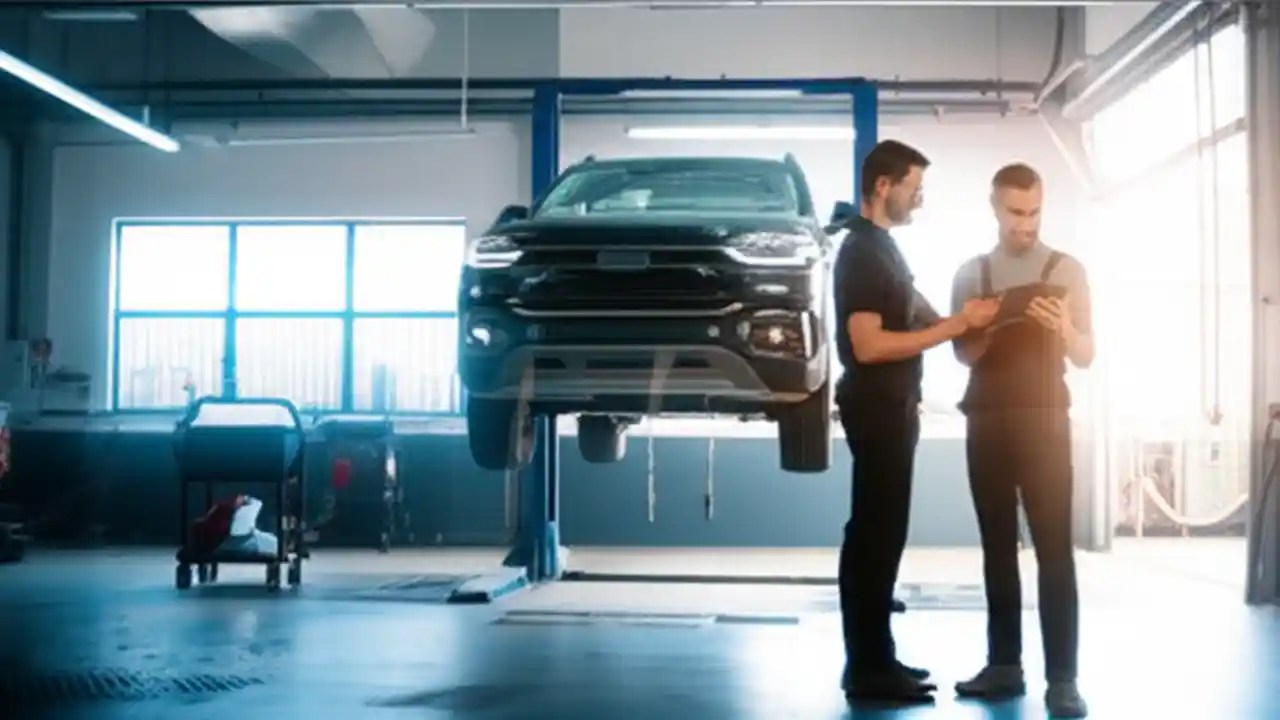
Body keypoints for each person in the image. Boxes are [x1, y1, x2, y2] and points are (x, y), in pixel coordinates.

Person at [833, 139, 999, 705]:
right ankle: (867, 672)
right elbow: (870, 344)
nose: (919, 199)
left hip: (894, 410)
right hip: (876, 409)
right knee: (874, 537)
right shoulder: (861, 251)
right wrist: (955, 328)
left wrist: (966, 320)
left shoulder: (884, 249)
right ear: (884, 186)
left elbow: (911, 306)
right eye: (914, 188)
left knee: (884, 535)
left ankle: (877, 659)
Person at [949, 162, 1093, 718]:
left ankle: (1063, 679)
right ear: (994, 206)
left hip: (1047, 421)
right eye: (1015, 212)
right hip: (986, 420)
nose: (1025, 224)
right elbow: (962, 354)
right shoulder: (971, 274)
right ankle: (1004, 666)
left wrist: (1063, 327)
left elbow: (1085, 355)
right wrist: (987, 323)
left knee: (1054, 549)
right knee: (996, 547)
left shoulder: (1069, 270)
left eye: (1034, 212)